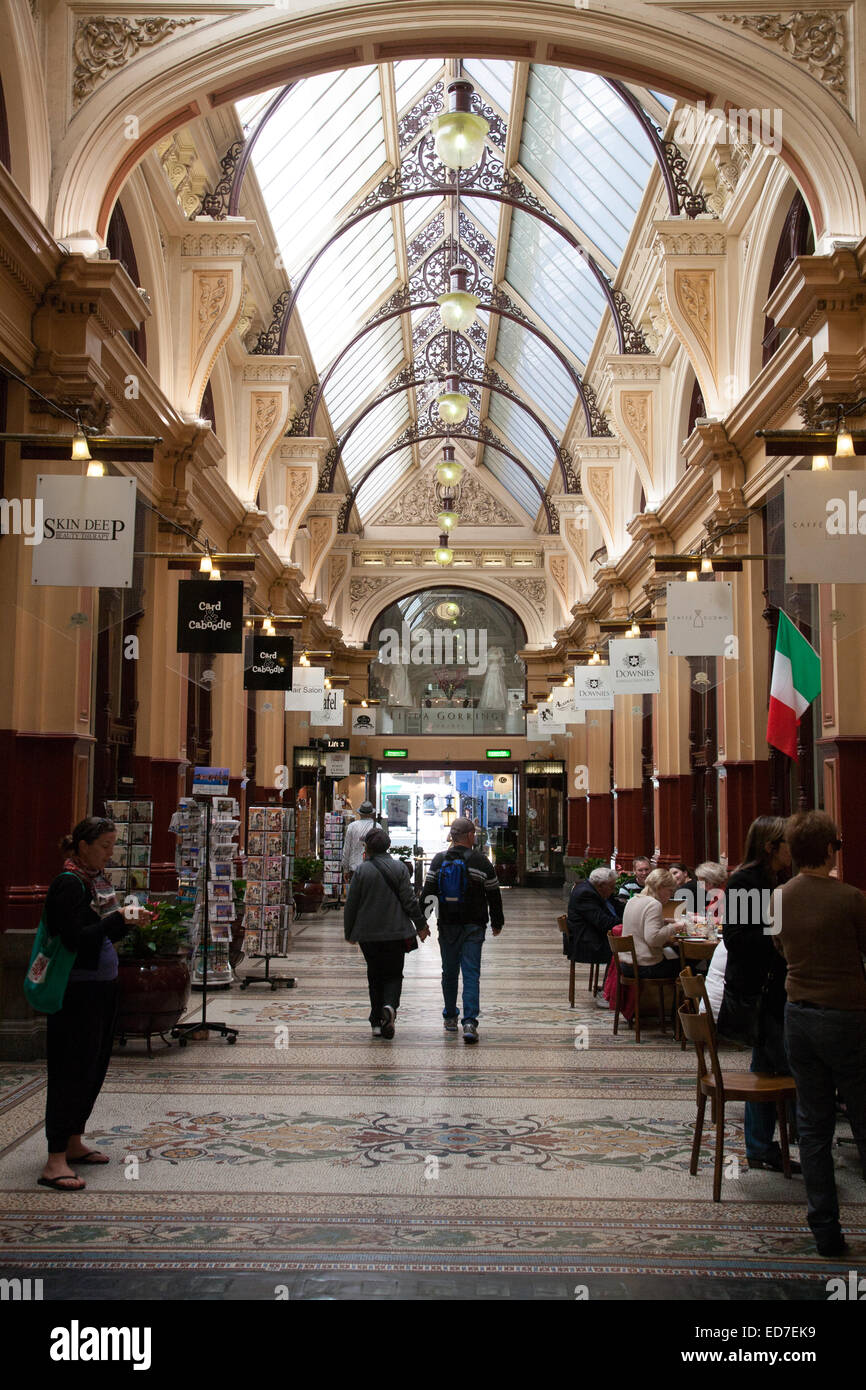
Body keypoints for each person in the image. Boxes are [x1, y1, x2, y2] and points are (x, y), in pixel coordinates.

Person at [38, 817, 149, 1192]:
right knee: (70, 1069)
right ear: (83, 846)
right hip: (76, 993)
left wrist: (126, 921)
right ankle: (54, 1161)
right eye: (104, 845)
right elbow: (74, 939)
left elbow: (100, 932)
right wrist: (115, 920)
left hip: (100, 988)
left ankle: (72, 1141)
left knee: (92, 1066)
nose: (110, 852)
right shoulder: (68, 885)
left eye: (112, 845)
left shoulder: (95, 882)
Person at [774, 811, 866, 1257]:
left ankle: (825, 1231)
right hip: (848, 1017)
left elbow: (778, 946)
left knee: (812, 1126)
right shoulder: (851, 898)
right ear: (829, 849)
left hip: (799, 1015)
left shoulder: (777, 898)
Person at [720, 815, 798, 1175]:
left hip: (775, 990)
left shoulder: (778, 880)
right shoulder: (745, 882)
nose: (792, 851)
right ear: (771, 847)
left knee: (768, 1066)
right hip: (760, 991)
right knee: (770, 1068)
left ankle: (764, 1144)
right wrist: (780, 937)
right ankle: (763, 1144)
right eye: (787, 843)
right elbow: (737, 939)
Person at [424, 816, 504, 1043]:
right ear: (470, 836)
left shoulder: (439, 861)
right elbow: (494, 895)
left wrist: (422, 923)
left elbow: (428, 892)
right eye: (474, 833)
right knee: (471, 973)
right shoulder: (481, 862)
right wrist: (497, 922)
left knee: (449, 971)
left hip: (447, 924)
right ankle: (469, 1022)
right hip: (473, 925)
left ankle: (450, 1017)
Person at [343, 828, 428, 1038]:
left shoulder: (362, 871)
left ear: (368, 848)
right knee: (393, 974)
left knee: (375, 974)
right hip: (396, 933)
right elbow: (409, 901)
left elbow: (351, 905)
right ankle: (389, 1007)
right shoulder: (399, 868)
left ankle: (375, 1021)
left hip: (368, 934)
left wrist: (349, 932)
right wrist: (420, 925)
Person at [566, 867, 622, 1010]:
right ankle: (607, 993)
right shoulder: (585, 894)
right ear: (600, 885)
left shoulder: (597, 890)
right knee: (618, 949)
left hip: (594, 936)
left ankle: (613, 989)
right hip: (586, 942)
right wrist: (626, 922)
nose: (613, 890)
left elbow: (616, 906)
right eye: (611, 887)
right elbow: (603, 922)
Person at [619, 868, 681, 980]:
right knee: (686, 964)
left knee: (673, 956)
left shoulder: (633, 899)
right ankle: (673, 997)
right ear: (660, 887)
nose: (670, 895)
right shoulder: (654, 904)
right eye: (670, 891)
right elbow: (653, 939)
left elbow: (639, 925)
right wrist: (675, 927)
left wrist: (663, 922)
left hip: (626, 964)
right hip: (645, 966)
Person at [341, 800, 377, 883]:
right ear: (371, 813)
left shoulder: (352, 826)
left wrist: (345, 869)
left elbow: (347, 849)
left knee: (356, 894)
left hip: (355, 867)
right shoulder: (377, 827)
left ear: (360, 813)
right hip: (373, 868)